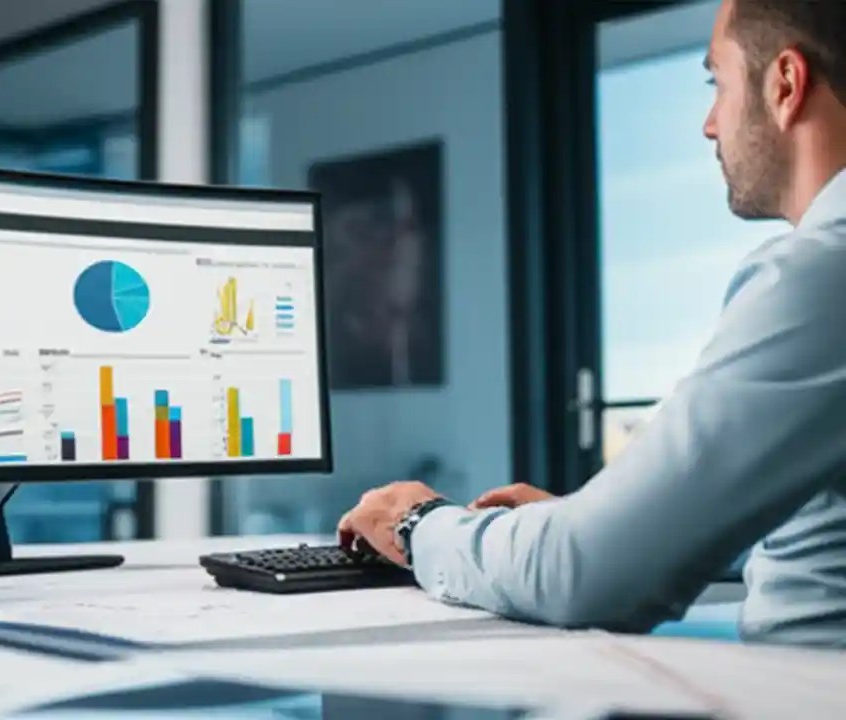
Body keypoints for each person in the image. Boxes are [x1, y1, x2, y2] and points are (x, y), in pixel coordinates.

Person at [338, 0, 846, 647]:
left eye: (717, 83)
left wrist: (418, 525)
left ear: (784, 84)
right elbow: (818, 532)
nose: (710, 124)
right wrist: (620, 523)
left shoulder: (821, 274)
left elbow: (587, 578)